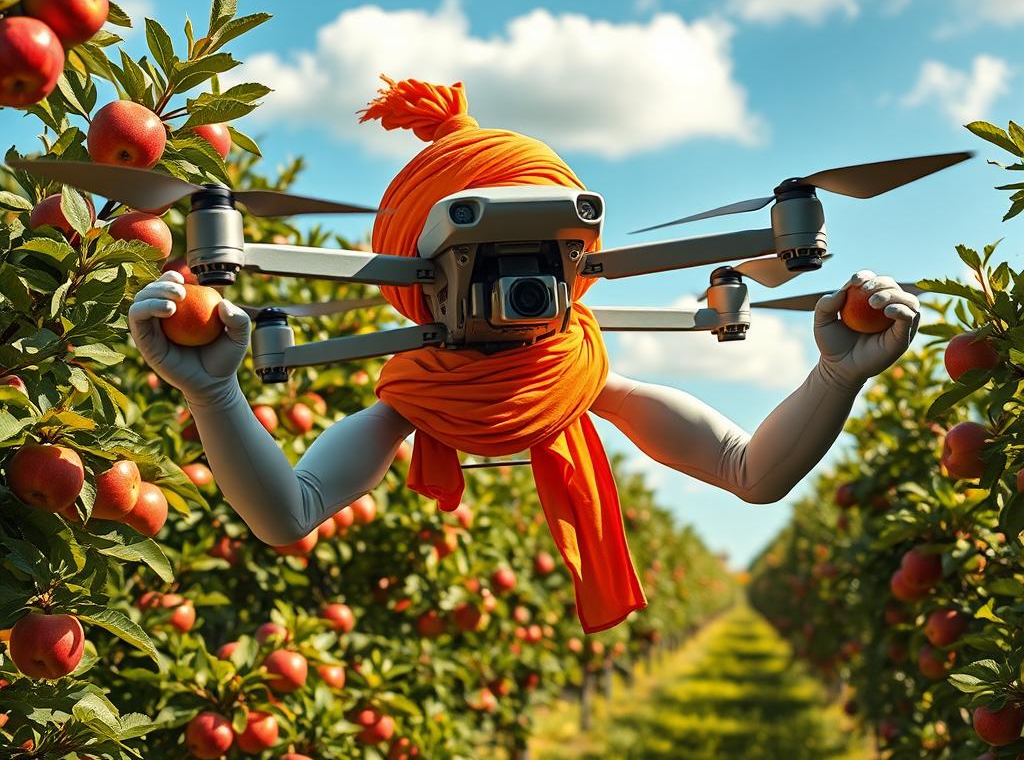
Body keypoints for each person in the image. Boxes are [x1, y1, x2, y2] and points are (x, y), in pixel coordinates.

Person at [128, 77, 920, 633]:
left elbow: (752, 475)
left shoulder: (573, 374)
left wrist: (838, 374)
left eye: (544, 266)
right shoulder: (444, 390)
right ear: (419, 281)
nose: (522, 292)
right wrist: (212, 393)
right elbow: (286, 516)